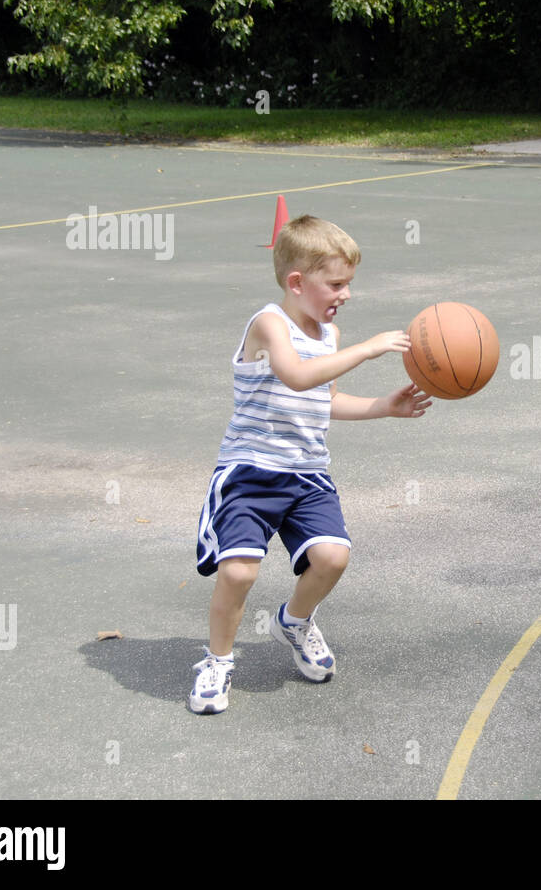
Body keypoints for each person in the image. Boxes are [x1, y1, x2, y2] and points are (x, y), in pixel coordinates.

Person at [190, 214, 431, 713]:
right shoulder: (268, 323)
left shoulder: (329, 335)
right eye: (337, 283)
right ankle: (217, 661)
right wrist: (368, 350)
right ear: (297, 282)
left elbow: (323, 399)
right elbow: (296, 377)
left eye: (349, 283)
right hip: (250, 471)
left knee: (333, 557)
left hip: (307, 472)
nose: (346, 294)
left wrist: (386, 406)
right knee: (237, 573)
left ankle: (294, 621)